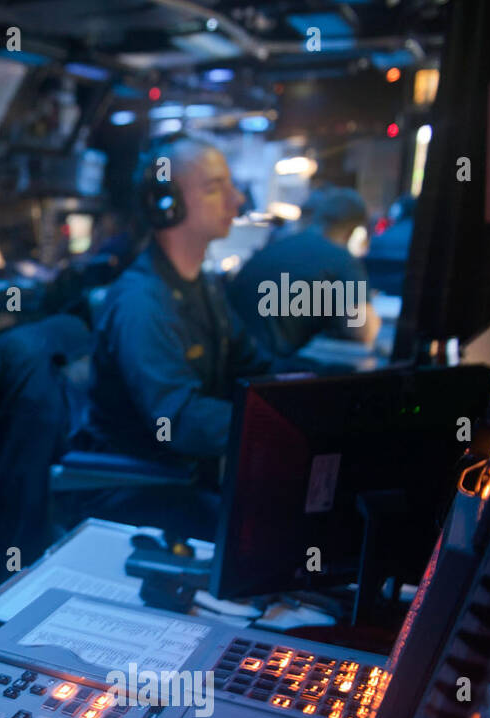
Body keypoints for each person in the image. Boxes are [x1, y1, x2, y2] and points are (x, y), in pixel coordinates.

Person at [79, 137, 274, 541]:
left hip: (185, 476)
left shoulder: (205, 289)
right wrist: (275, 425)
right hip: (138, 489)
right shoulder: (141, 303)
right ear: (166, 204)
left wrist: (308, 394)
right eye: (215, 188)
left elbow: (255, 368)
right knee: (267, 539)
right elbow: (178, 420)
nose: (236, 200)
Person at [227, 186, 380, 358]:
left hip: (233, 361)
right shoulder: (342, 259)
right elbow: (363, 331)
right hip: (267, 369)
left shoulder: (278, 246)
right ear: (354, 232)